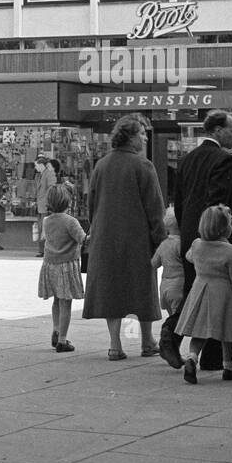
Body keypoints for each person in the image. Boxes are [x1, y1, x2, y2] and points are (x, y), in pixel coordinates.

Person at [82, 114, 165, 360]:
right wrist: (160, 239)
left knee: (112, 288)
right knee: (143, 288)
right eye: (141, 133)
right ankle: (148, 340)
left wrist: (95, 229)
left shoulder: (102, 165)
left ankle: (115, 344)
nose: (145, 137)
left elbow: (91, 204)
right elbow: (155, 208)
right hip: (137, 238)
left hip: (106, 236)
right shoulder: (143, 165)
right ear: (130, 137)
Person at [173, 110, 232, 371]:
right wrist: (221, 231)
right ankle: (212, 356)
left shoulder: (188, 158)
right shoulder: (223, 159)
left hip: (191, 235)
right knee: (220, 294)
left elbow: (179, 201)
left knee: (196, 290)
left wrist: (188, 229)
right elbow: (218, 201)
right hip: (214, 235)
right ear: (217, 130)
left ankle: (190, 347)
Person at [176, 205, 232, 384]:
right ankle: (228, 367)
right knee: (228, 332)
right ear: (225, 228)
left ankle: (192, 358)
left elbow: (188, 257)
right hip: (223, 295)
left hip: (200, 291)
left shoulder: (197, 245)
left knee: (200, 332)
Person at [37, 183, 85, 352]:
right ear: (68, 202)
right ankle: (62, 340)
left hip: (50, 265)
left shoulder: (47, 221)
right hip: (66, 265)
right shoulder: (71, 221)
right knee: (66, 303)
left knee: (57, 300)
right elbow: (83, 239)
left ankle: (56, 330)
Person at [152, 207, 186, 367]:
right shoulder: (181, 244)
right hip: (178, 286)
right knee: (178, 323)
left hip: (164, 286)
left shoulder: (164, 244)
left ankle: (173, 350)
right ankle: (170, 346)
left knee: (173, 318)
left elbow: (154, 263)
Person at [33, 155, 56, 257]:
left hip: (46, 205)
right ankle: (42, 250)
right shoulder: (39, 175)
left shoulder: (49, 174)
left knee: (45, 227)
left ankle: (46, 250)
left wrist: (48, 202)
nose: (35, 167)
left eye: (36, 165)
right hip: (40, 205)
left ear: (41, 165)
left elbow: (52, 188)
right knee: (41, 227)